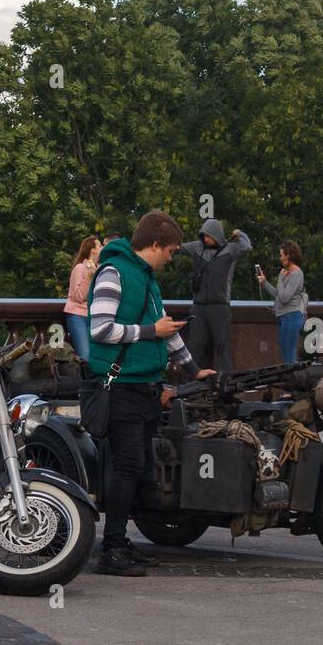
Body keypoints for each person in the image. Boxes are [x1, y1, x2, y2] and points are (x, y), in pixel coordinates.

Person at [89, 211, 214, 577]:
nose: (172, 258)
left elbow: (167, 330)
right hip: (122, 386)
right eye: (171, 251)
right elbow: (100, 329)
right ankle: (111, 549)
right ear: (155, 245)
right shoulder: (113, 273)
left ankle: (121, 541)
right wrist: (149, 332)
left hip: (145, 386)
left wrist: (194, 369)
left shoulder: (147, 278)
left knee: (140, 468)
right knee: (125, 468)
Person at [179, 218, 251, 376]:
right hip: (198, 307)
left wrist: (240, 234)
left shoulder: (231, 250)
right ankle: (189, 383)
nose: (205, 239)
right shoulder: (197, 247)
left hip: (219, 307)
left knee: (222, 346)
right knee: (194, 346)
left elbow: (247, 247)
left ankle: (225, 382)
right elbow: (177, 247)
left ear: (217, 236)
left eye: (208, 236)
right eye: (203, 235)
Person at [258, 240, 307, 362]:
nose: (280, 258)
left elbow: (284, 298)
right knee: (285, 354)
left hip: (291, 317)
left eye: (281, 255)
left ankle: (293, 380)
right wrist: (264, 282)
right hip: (284, 317)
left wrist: (281, 277)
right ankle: (290, 379)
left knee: (289, 356)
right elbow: (278, 295)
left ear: (288, 255)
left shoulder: (296, 274)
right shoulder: (288, 273)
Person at [64, 235, 101, 361]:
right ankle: (84, 381)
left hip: (94, 317)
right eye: (100, 245)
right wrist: (89, 278)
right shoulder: (80, 268)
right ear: (92, 250)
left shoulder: (98, 268)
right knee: (85, 355)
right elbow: (78, 296)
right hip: (78, 316)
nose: (102, 247)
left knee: (96, 355)